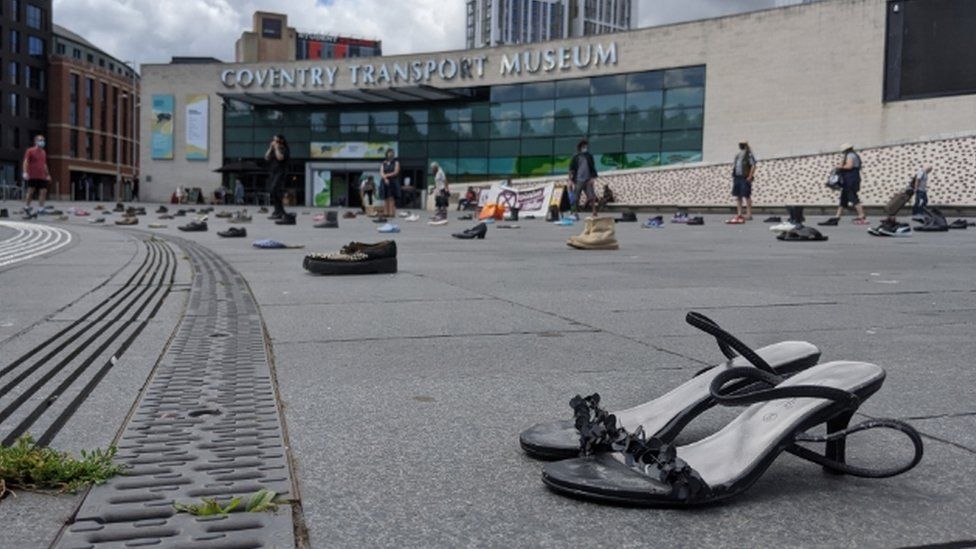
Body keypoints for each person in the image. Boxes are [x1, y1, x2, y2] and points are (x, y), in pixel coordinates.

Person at [823, 144, 867, 225]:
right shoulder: (854, 155)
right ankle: (837, 216)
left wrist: (839, 166)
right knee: (843, 198)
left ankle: (861, 215)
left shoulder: (850, 155)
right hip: (852, 178)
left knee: (853, 197)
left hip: (850, 179)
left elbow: (849, 166)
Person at [568, 139, 598, 219]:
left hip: (588, 180)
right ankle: (574, 212)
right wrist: (570, 180)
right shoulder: (576, 157)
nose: (585, 148)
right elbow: (571, 169)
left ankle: (594, 212)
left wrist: (592, 178)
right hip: (578, 180)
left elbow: (592, 167)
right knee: (576, 197)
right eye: (584, 146)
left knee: (591, 196)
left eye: (586, 146)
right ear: (580, 147)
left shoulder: (589, 156)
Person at [22, 134, 51, 217]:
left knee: (43, 191)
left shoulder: (43, 152)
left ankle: (41, 208)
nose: (42, 142)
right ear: (35, 141)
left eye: (43, 140)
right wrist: (25, 172)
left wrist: (47, 174)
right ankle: (27, 206)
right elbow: (26, 162)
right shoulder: (30, 151)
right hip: (32, 175)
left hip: (41, 176)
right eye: (40, 140)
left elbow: (44, 164)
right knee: (31, 192)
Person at [730, 140, 757, 222]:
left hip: (745, 177)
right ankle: (739, 214)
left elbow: (753, 165)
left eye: (741, 144)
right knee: (738, 196)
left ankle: (749, 214)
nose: (740, 145)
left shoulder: (749, 155)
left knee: (747, 195)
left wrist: (750, 176)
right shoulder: (738, 155)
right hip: (737, 177)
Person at [265, 134, 289, 219]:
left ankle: (280, 211)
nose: (274, 142)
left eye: (276, 140)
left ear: (281, 141)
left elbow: (280, 158)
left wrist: (276, 148)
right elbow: (266, 157)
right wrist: (271, 148)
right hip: (273, 172)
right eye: (273, 140)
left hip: (280, 172)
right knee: (273, 191)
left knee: (275, 189)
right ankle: (277, 210)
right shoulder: (273, 149)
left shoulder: (283, 149)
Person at [380, 148, 401, 219]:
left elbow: (396, 172)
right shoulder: (384, 163)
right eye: (389, 153)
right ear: (386, 154)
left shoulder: (396, 163)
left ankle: (392, 213)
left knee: (391, 197)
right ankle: (386, 213)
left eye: (392, 153)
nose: (390, 154)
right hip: (385, 181)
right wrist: (385, 178)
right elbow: (381, 172)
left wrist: (387, 176)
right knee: (385, 197)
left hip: (393, 181)